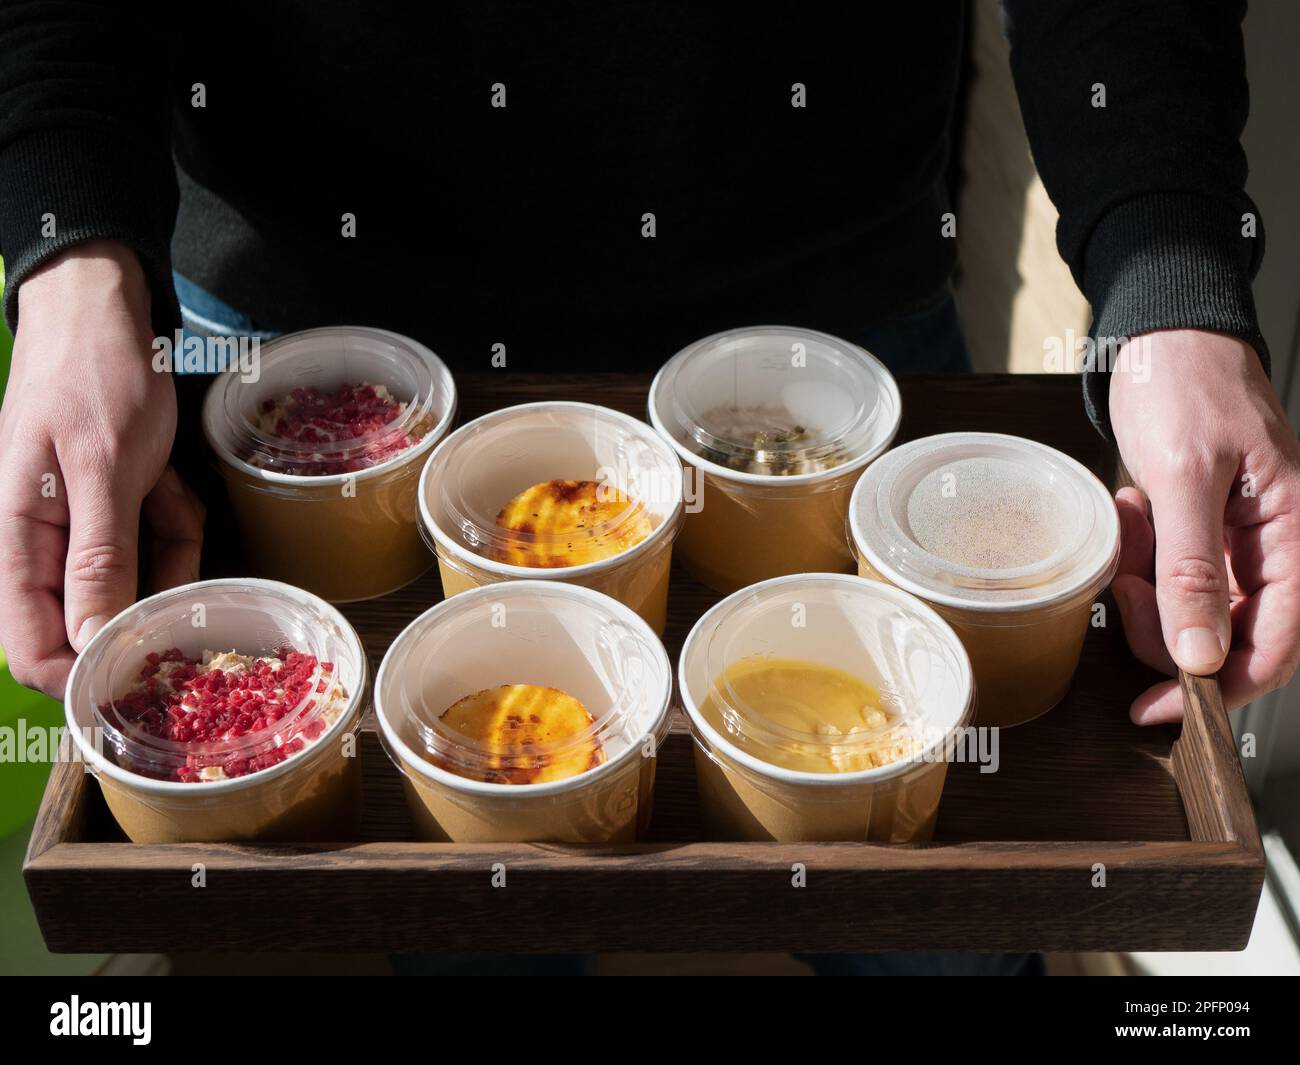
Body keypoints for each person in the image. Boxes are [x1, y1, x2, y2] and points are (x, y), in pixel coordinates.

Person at [0, 3, 1296, 967]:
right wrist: (70, 259)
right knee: (477, 913)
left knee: (943, 921)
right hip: (305, 331)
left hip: (829, 326)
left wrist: (1170, 280)